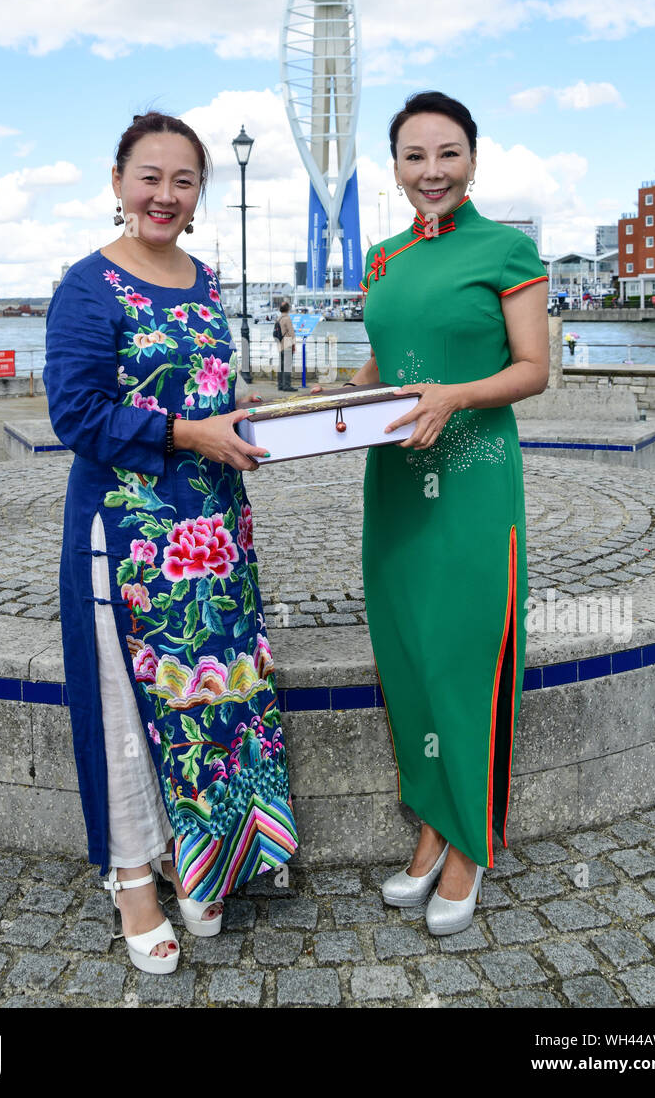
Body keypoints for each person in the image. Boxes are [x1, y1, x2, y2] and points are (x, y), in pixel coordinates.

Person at [44, 111, 298, 975]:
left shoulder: (204, 278)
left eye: (182, 180)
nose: (163, 194)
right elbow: (75, 416)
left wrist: (253, 427)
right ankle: (133, 884)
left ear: (200, 194)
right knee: (127, 705)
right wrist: (194, 435)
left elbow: (211, 390)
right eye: (148, 177)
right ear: (117, 182)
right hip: (128, 537)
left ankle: (208, 859)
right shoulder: (87, 286)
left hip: (216, 532)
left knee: (213, 701)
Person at [352, 90, 549, 935]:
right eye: (413, 156)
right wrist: (297, 409)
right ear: (394, 167)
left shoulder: (506, 249)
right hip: (394, 485)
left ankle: (473, 845)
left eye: (447, 154)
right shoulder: (384, 256)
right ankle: (432, 830)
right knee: (410, 657)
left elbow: (534, 370)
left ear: (473, 159)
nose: (431, 172)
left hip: (471, 485)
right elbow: (380, 367)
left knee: (469, 659)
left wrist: (457, 394)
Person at [275, 300, 297, 391]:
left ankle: (280, 385)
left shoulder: (278, 318)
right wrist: (294, 344)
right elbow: (291, 333)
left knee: (281, 365)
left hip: (280, 344)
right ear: (288, 309)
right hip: (287, 342)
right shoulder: (287, 318)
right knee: (287, 366)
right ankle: (287, 386)